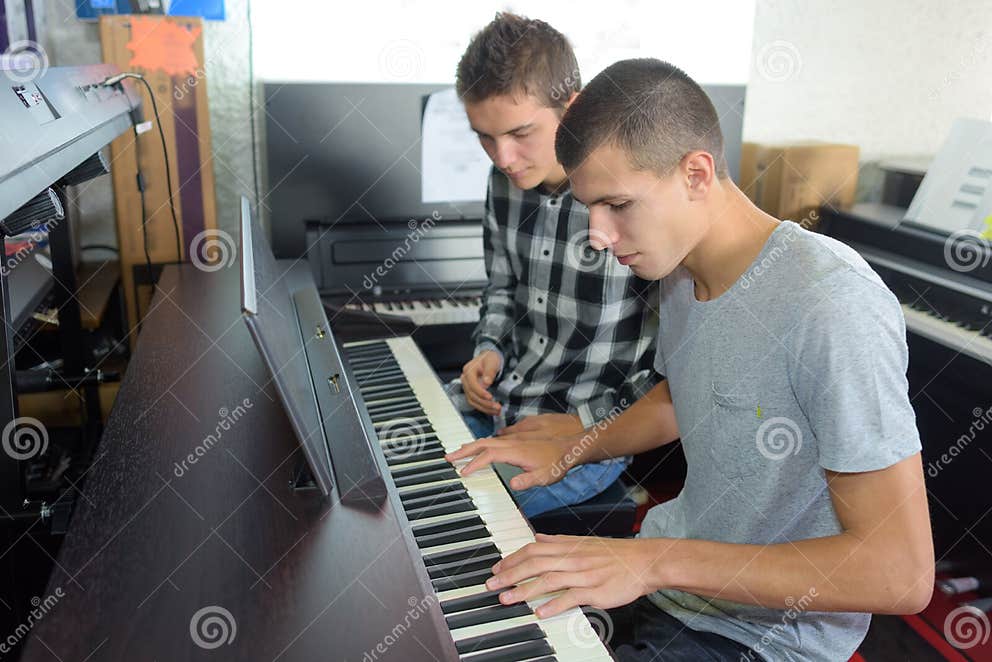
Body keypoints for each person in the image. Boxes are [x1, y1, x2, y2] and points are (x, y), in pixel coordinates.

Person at [447, 58, 934, 661]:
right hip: (674, 585)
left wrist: (653, 563)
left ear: (697, 174)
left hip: (756, 636)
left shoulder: (830, 303)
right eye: (590, 207)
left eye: (618, 204)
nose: (596, 235)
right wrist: (579, 443)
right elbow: (686, 396)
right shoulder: (678, 270)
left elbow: (900, 574)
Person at [448, 14, 660, 518]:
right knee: (393, 466)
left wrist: (589, 425)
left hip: (584, 436)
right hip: (502, 405)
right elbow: (502, 286)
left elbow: (671, 362)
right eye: (484, 137)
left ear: (573, 107)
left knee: (462, 517)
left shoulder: (631, 197)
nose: (502, 157)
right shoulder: (502, 180)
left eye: (520, 133)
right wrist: (489, 350)